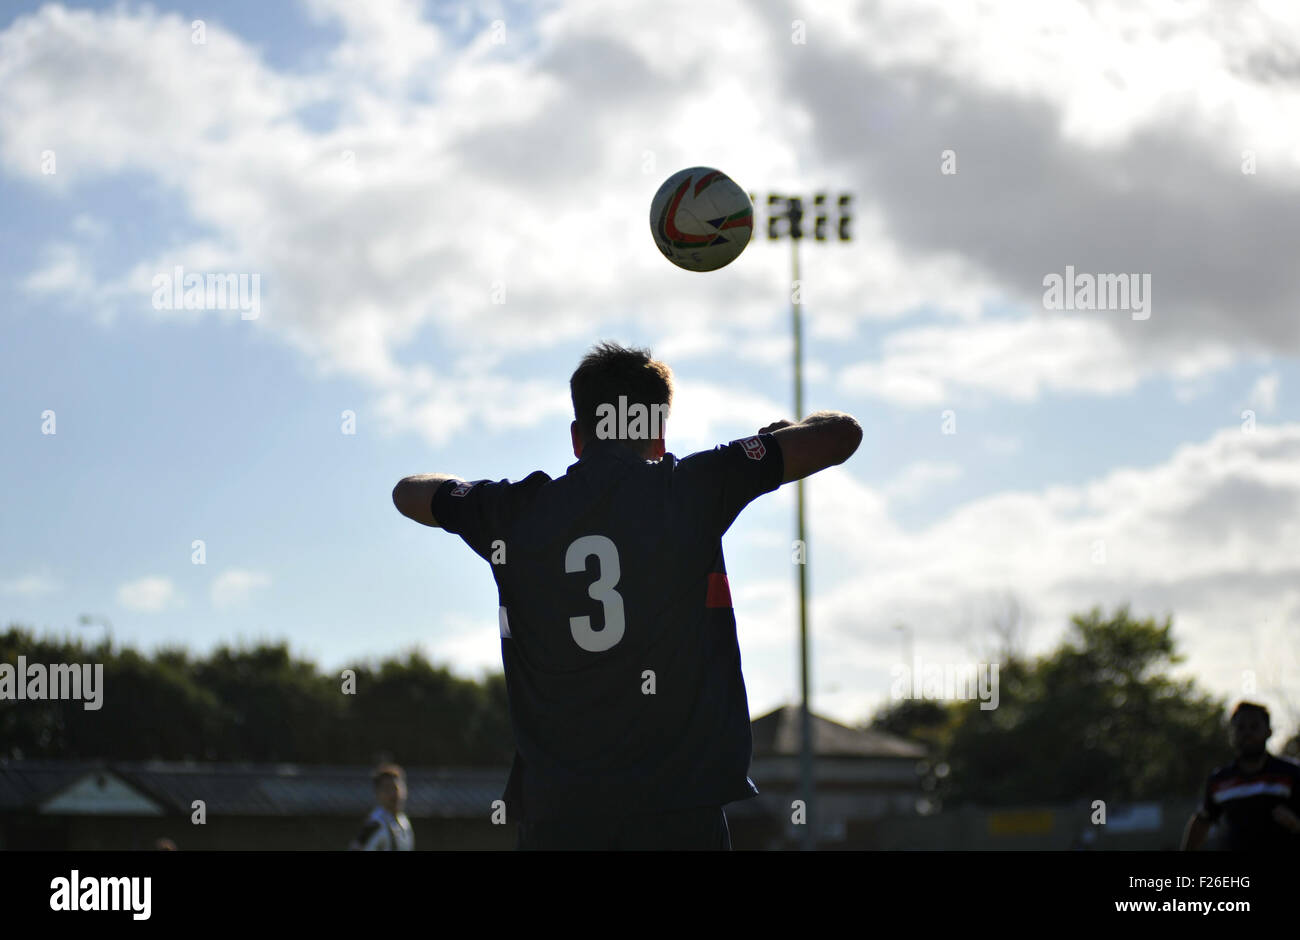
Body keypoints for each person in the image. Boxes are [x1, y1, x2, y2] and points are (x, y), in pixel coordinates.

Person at [393, 341, 861, 849]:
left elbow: (408, 492)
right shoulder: (693, 488)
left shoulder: (513, 511)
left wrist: (468, 494)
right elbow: (841, 435)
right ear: (657, 434)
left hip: (559, 816)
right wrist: (775, 439)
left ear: (577, 437)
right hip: (678, 812)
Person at [1181, 701, 1300, 851]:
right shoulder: (1220, 781)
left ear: (1269, 732)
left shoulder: (1290, 774)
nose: (1247, 733)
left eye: (1254, 727)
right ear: (1232, 733)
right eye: (1240, 728)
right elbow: (1202, 821)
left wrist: (1295, 823)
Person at [351, 764, 415, 851]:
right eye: (387, 789)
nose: (393, 794)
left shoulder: (404, 822)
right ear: (377, 793)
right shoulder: (375, 825)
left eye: (396, 788)